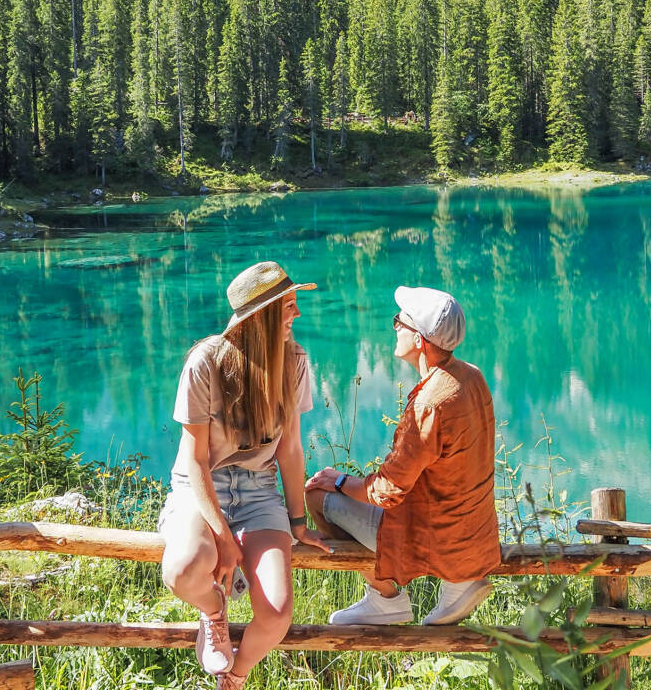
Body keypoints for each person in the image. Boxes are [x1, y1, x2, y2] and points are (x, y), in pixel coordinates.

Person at [159, 261, 330, 688]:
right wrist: (221, 536)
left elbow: (289, 451)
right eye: (289, 305)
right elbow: (195, 461)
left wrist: (297, 522)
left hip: (259, 492)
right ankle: (214, 611)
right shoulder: (205, 363)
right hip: (202, 487)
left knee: (276, 612)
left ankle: (234, 677)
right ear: (264, 315)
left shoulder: (294, 362)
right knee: (183, 570)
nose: (298, 314)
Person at [305, 285, 501, 626]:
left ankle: (385, 599)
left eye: (400, 321)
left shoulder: (429, 404)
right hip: (474, 533)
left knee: (316, 494)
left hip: (435, 538)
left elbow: (386, 491)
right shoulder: (472, 377)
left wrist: (338, 480)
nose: (394, 326)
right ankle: (458, 582)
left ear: (421, 340)